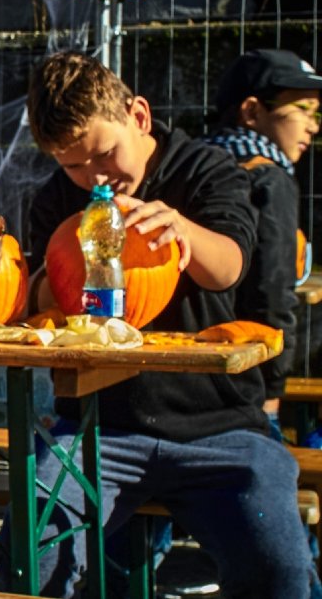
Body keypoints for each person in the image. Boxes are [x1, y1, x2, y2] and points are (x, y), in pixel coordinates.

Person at [18, 50, 313, 597]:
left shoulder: (206, 169)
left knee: (279, 572)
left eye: (105, 154)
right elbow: (34, 302)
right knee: (31, 558)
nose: (95, 177)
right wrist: (67, 253)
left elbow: (230, 266)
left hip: (219, 425)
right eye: (73, 165)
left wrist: (183, 231)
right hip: (96, 428)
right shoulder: (59, 198)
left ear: (139, 116)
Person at [206, 49, 322, 439]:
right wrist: (272, 388)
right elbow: (273, 290)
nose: (313, 127)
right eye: (303, 110)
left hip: (186, 374)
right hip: (245, 380)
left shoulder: (193, 165)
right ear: (252, 112)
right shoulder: (268, 180)